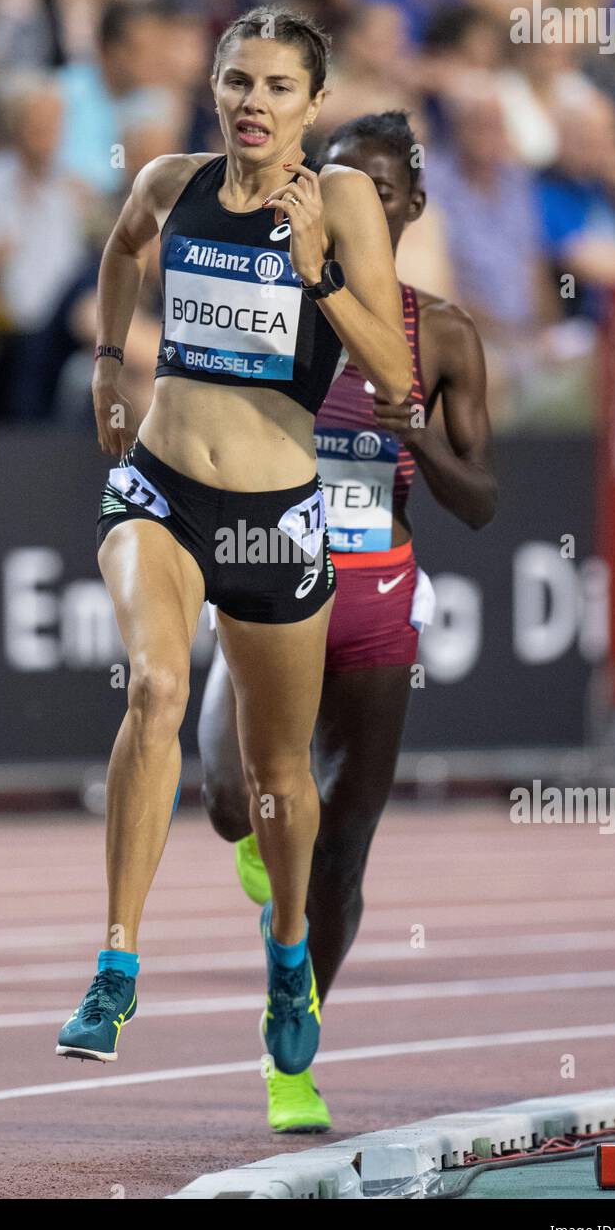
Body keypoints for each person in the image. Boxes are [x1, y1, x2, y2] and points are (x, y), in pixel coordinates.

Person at [55, 8, 414, 1083]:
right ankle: (115, 965)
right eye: (237, 81)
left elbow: (394, 381)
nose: (253, 102)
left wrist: (318, 272)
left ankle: (289, 947)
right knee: (156, 688)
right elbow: (123, 251)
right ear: (214, 89)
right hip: (160, 491)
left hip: (275, 516)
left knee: (275, 778)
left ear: (312, 105)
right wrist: (109, 366)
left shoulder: (341, 201)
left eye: (276, 87)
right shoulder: (172, 183)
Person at [197, 110, 497, 1132]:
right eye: (321, 186)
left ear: (405, 209)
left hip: (374, 596)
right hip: (262, 572)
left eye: (363, 193)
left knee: (341, 850)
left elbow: (479, 501)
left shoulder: (444, 334)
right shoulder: (266, 303)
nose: (334, 208)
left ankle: (294, 1047)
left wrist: (406, 420)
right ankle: (255, 844)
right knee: (230, 800)